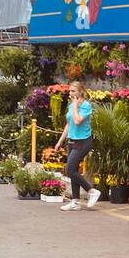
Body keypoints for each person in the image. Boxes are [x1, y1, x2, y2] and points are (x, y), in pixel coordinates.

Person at [54, 80, 100, 211]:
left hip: (83, 141)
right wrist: (60, 142)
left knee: (70, 170)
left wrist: (75, 105)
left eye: (73, 91)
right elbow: (69, 124)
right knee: (72, 170)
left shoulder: (85, 105)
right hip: (72, 140)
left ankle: (92, 191)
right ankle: (75, 201)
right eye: (70, 91)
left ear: (80, 92)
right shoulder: (71, 106)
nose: (71, 93)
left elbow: (77, 120)